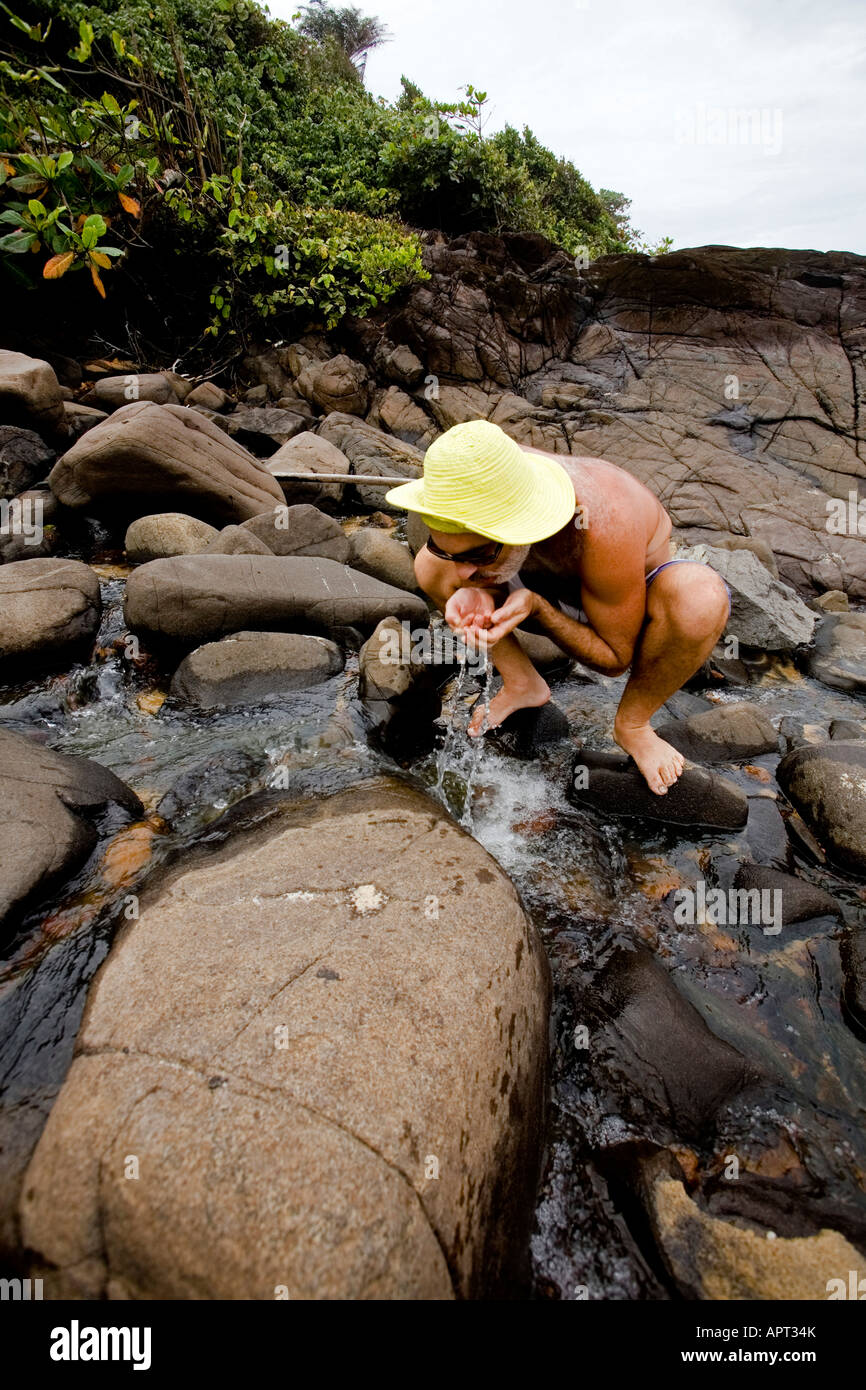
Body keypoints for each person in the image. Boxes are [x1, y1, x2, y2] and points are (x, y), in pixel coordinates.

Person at [386, 419, 731, 796]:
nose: (461, 570)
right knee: (428, 568)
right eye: (447, 548)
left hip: (625, 603)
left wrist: (535, 607)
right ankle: (522, 683)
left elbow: (614, 660)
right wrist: (474, 588)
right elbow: (457, 564)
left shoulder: (604, 522)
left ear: (521, 523)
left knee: (701, 598)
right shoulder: (483, 475)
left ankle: (633, 726)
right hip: (536, 578)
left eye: (478, 554)